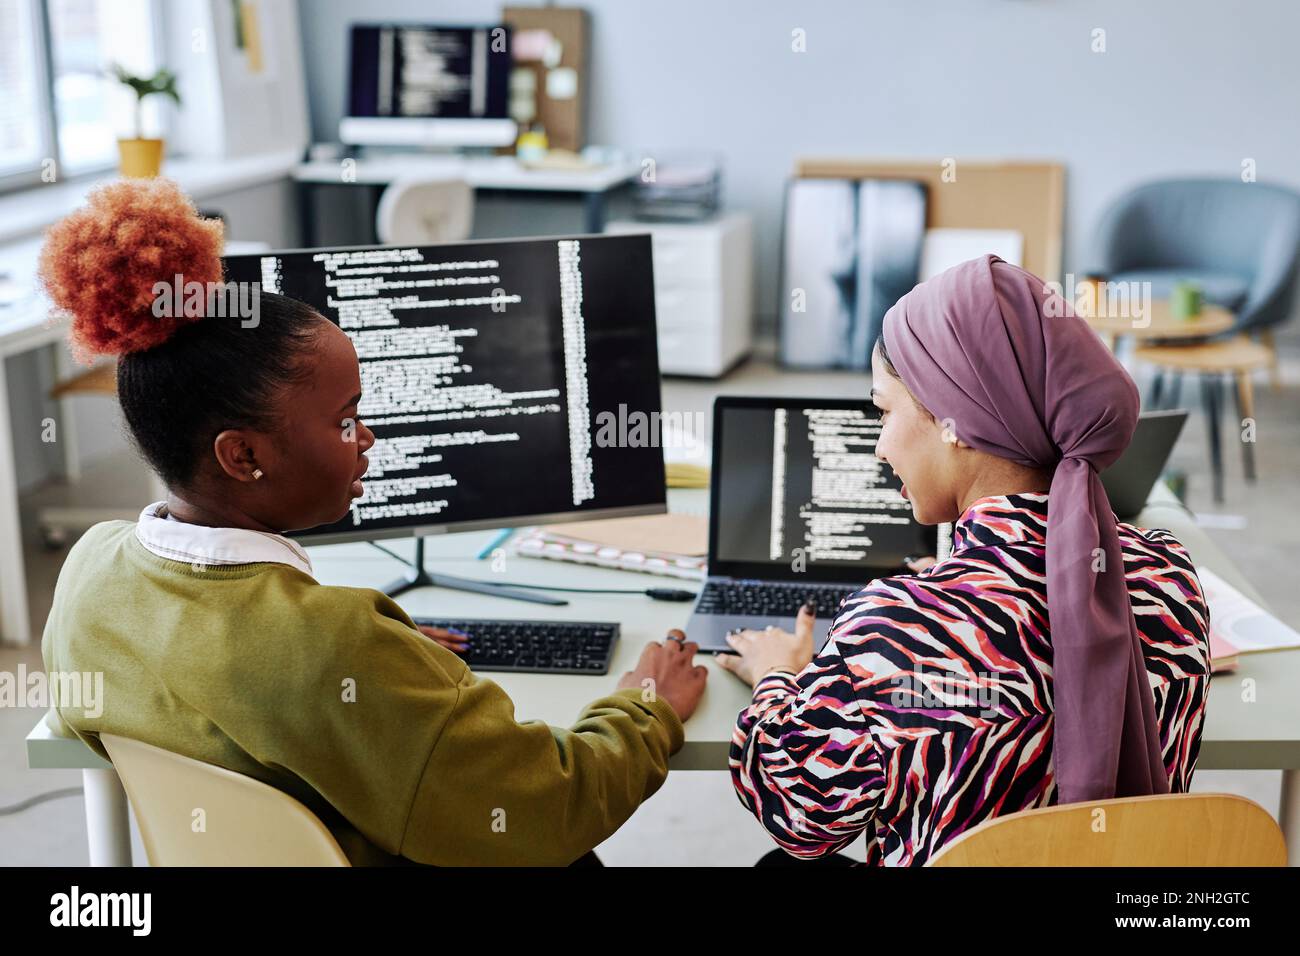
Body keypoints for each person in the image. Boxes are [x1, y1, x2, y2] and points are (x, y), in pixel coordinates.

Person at [38, 178, 707, 866]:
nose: (368, 437)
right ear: (242, 455)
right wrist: (645, 709)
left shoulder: (92, 570)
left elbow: (119, 704)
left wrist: (390, 665)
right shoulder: (333, 646)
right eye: (344, 419)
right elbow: (550, 808)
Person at [717, 255, 1211, 866]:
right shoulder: (1171, 579)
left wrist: (777, 678)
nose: (878, 446)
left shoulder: (897, 626)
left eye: (884, 411)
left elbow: (799, 817)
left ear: (954, 422)